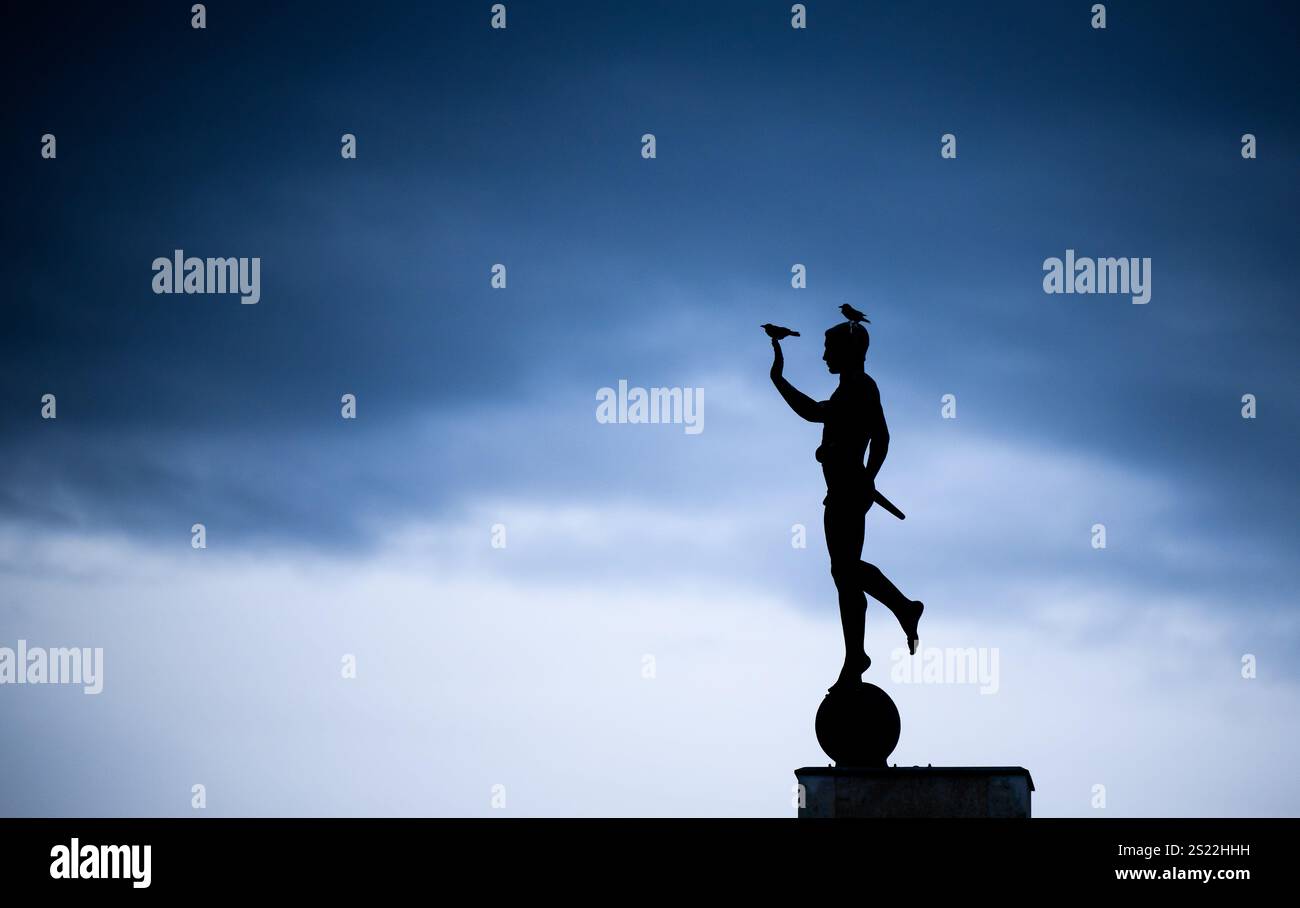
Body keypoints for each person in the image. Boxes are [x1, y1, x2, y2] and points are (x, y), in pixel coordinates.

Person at [769, 317, 923, 689]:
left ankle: (901, 610)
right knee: (844, 574)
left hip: (848, 492)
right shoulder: (848, 390)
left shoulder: (859, 387)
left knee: (845, 568)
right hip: (842, 491)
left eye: (829, 348)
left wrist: (866, 478)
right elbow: (816, 413)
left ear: (847, 351)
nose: (823, 355)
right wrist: (779, 378)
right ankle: (857, 653)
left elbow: (881, 438)